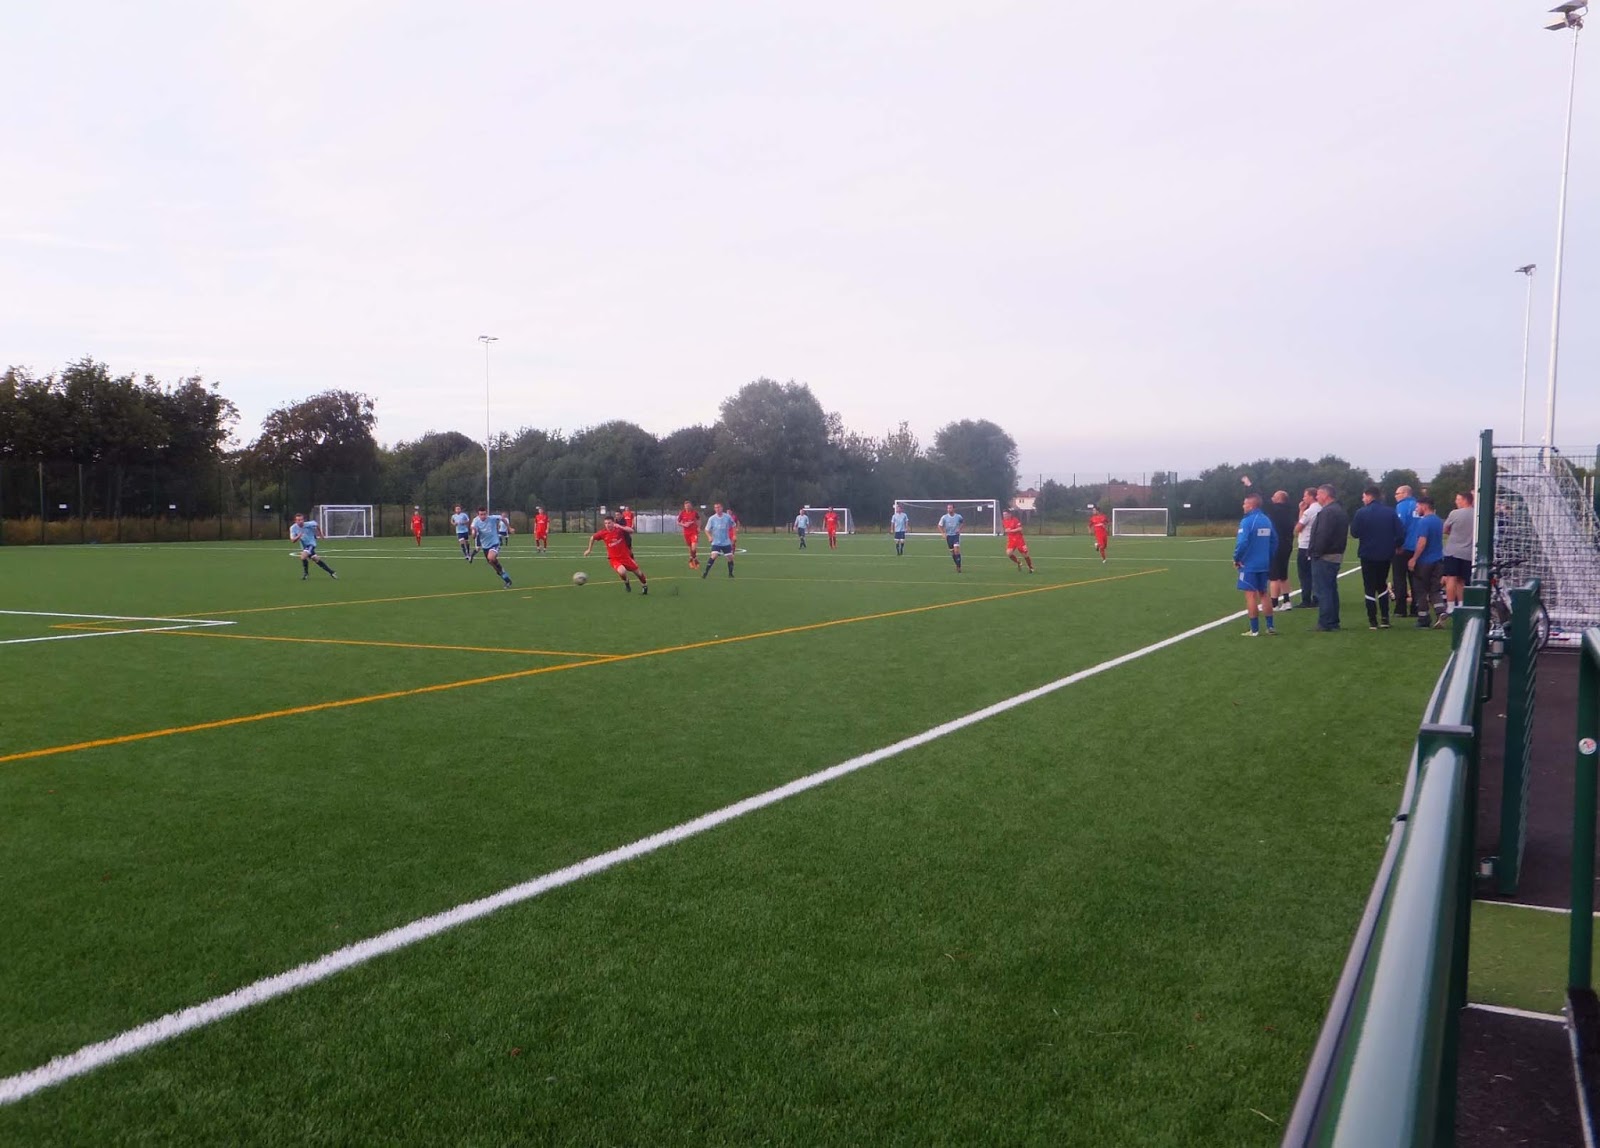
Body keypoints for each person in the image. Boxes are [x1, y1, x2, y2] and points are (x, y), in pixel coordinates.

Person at [1350, 485, 1405, 630]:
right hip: (1385, 554)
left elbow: (1354, 533)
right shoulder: (1390, 512)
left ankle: (1372, 620)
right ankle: (1385, 619)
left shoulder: (1361, 513)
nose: (1363, 499)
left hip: (1367, 554)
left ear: (1369, 496)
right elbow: (1400, 533)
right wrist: (1397, 545)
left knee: (1369, 586)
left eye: (1363, 497)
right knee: (1382, 585)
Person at [1307, 485, 1349, 631]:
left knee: (1323, 590)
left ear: (1326, 495)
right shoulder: (1338, 510)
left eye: (1318, 494)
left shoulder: (1328, 512)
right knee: (1331, 589)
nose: (1317, 497)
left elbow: (1322, 535)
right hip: (1335, 554)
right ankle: (1332, 621)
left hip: (1325, 556)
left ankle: (1326, 622)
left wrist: (1316, 552)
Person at [1233, 493, 1276, 635]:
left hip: (1249, 565)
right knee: (1264, 593)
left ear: (1251, 505)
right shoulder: (1267, 520)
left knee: (1250, 595)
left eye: (1245, 503)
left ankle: (1254, 630)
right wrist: (1267, 557)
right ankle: (1270, 627)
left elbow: (1242, 542)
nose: (1243, 506)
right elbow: (1274, 541)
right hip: (1264, 563)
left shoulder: (1247, 521)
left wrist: (1237, 558)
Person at [1406, 495, 1445, 629]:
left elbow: (1422, 542)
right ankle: (1441, 611)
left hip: (1425, 561)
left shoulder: (1424, 522)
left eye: (1418, 506)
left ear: (1424, 506)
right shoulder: (1438, 521)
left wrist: (1414, 558)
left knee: (1420, 590)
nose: (1417, 509)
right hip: (1438, 560)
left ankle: (1423, 618)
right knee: (1435, 589)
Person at [584, 512, 648, 593]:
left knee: (638, 573)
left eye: (609, 523)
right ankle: (626, 582)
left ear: (613, 522)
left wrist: (621, 527)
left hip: (625, 557)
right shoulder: (603, 533)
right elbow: (592, 538)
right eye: (606, 523)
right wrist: (589, 549)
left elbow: (631, 530)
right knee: (622, 571)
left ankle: (644, 585)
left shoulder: (619, 530)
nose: (607, 525)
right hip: (614, 558)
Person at [1441, 491, 1476, 617]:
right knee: (1462, 580)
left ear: (1464, 500)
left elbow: (1445, 529)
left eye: (1458, 499)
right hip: (1468, 552)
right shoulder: (1476, 514)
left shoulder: (1454, 513)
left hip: (1453, 551)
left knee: (1451, 579)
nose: (1456, 502)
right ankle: (1462, 605)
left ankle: (1450, 606)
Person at [1263, 491, 1298, 608]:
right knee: (1283, 575)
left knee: (1274, 576)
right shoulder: (1289, 510)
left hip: (1277, 545)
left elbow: (1262, 500)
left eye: (1274, 496)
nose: (1271, 498)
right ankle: (1287, 601)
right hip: (1287, 545)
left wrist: (1250, 485)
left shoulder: (1276, 510)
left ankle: (1273, 604)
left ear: (1279, 499)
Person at [1390, 485, 1418, 617]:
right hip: (1417, 548)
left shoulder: (1402, 506)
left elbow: (1399, 526)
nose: (1395, 496)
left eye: (1397, 493)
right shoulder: (1418, 505)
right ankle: (1416, 608)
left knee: (1399, 578)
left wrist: (1397, 544)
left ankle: (1401, 609)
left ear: (1406, 493)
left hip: (1404, 547)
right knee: (1415, 579)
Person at [470, 508, 513, 588]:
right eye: (481, 514)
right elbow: (473, 531)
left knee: (491, 557)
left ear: (487, 514)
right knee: (494, 566)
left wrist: (509, 528)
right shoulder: (475, 521)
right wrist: (474, 533)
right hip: (485, 546)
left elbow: (503, 518)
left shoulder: (492, 518)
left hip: (495, 543)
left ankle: (501, 569)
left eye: (484, 514)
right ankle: (507, 580)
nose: (483, 516)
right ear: (478, 515)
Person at [289, 513, 338, 580]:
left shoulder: (309, 524)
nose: (300, 521)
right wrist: (298, 536)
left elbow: (316, 524)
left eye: (301, 520)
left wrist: (321, 534)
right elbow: (292, 540)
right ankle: (331, 572)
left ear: (303, 520)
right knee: (316, 559)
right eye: (298, 520)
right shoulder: (293, 528)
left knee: (303, 557)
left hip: (311, 544)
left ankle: (306, 574)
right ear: (295, 521)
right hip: (304, 546)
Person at [1293, 488, 1320, 609]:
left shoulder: (1310, 511)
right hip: (1317, 545)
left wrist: (1302, 511)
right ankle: (1317, 598)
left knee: (1304, 575)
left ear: (1311, 497)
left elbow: (1299, 527)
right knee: (1315, 573)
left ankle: (1306, 599)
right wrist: (1301, 510)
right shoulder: (1321, 509)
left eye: (1305, 496)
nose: (1303, 498)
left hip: (1305, 545)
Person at [702, 502, 736, 578]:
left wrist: (734, 535)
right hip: (716, 542)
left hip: (726, 541)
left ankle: (730, 574)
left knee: (730, 558)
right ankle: (705, 573)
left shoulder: (727, 517)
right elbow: (706, 530)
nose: (717, 509)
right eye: (716, 508)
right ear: (714, 509)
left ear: (722, 508)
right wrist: (709, 537)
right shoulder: (712, 518)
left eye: (719, 507)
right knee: (714, 556)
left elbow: (733, 525)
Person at [1002, 508, 1034, 573]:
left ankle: (1030, 567)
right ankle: (1019, 562)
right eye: (1003, 515)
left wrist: (1011, 530)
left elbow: (1020, 528)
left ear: (1009, 514)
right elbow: (1006, 529)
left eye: (1005, 514)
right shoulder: (1004, 521)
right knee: (1008, 553)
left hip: (1019, 539)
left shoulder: (1015, 520)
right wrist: (1006, 531)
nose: (1004, 516)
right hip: (1011, 539)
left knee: (1025, 554)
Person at [937, 503, 964, 573]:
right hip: (949, 536)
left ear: (953, 509)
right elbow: (939, 526)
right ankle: (957, 564)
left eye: (950, 508)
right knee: (952, 553)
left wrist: (959, 529)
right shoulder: (944, 517)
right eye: (948, 508)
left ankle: (959, 566)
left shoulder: (958, 516)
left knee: (956, 551)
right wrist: (943, 533)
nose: (949, 509)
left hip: (955, 536)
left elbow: (962, 523)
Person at [677, 500, 700, 568]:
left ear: (691, 506)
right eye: (686, 506)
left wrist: (698, 527)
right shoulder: (682, 513)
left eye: (689, 506)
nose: (688, 507)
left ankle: (691, 559)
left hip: (694, 532)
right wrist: (684, 524)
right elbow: (678, 522)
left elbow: (698, 519)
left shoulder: (694, 513)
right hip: (686, 533)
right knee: (690, 548)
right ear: (684, 507)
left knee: (694, 547)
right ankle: (694, 559)